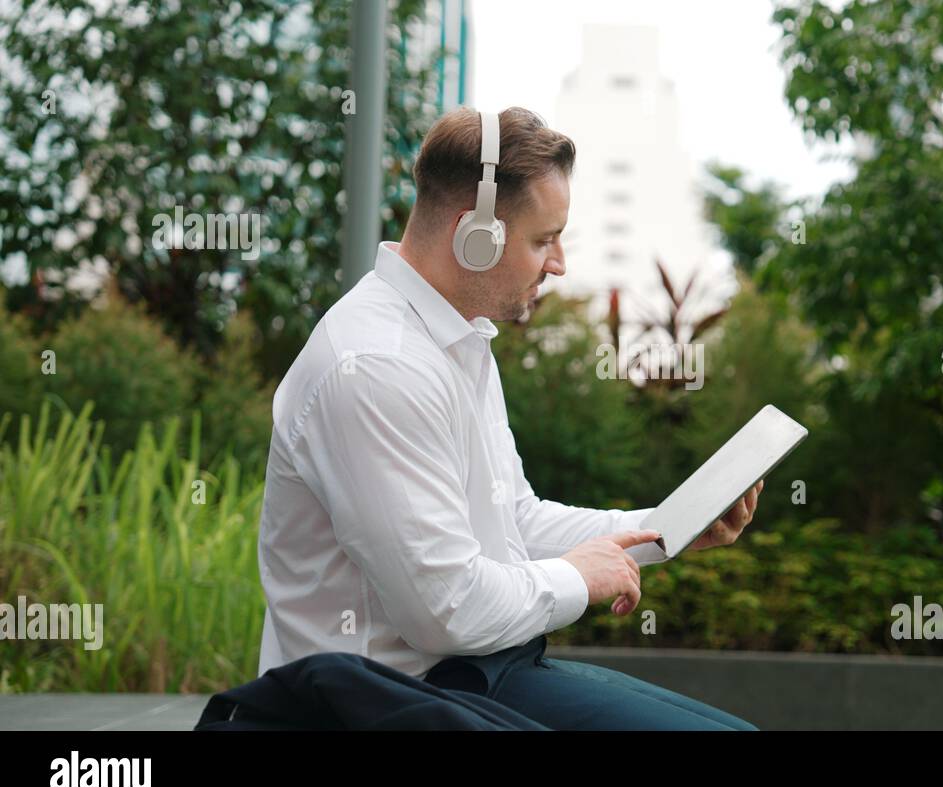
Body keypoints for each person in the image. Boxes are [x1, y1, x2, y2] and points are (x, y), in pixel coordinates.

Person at [255, 105, 762, 730]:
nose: (559, 264)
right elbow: (447, 611)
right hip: (379, 701)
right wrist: (579, 579)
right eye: (544, 239)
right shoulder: (378, 366)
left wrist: (665, 528)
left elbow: (513, 520)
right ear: (476, 235)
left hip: (473, 675)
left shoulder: (458, 340)